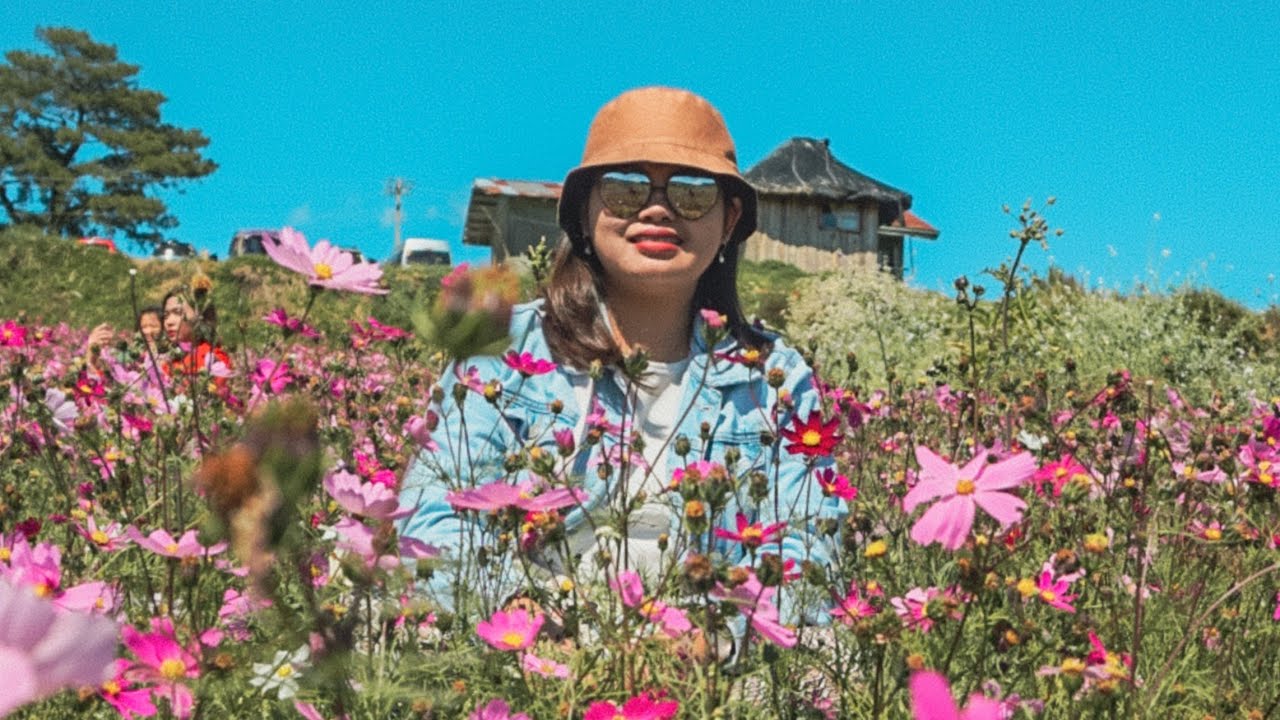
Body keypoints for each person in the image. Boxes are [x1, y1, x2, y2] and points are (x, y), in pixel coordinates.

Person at [398, 87, 842, 617]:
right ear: (583, 213)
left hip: (713, 675)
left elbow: (811, 554)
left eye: (694, 192)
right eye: (626, 189)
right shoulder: (502, 348)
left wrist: (714, 642)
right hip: (525, 653)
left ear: (729, 219)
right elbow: (427, 523)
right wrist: (536, 613)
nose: (657, 208)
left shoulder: (773, 376)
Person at [161, 288, 232, 388]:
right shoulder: (167, 364)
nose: (169, 322)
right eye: (166, 315)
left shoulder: (215, 359)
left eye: (178, 312)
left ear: (200, 315)